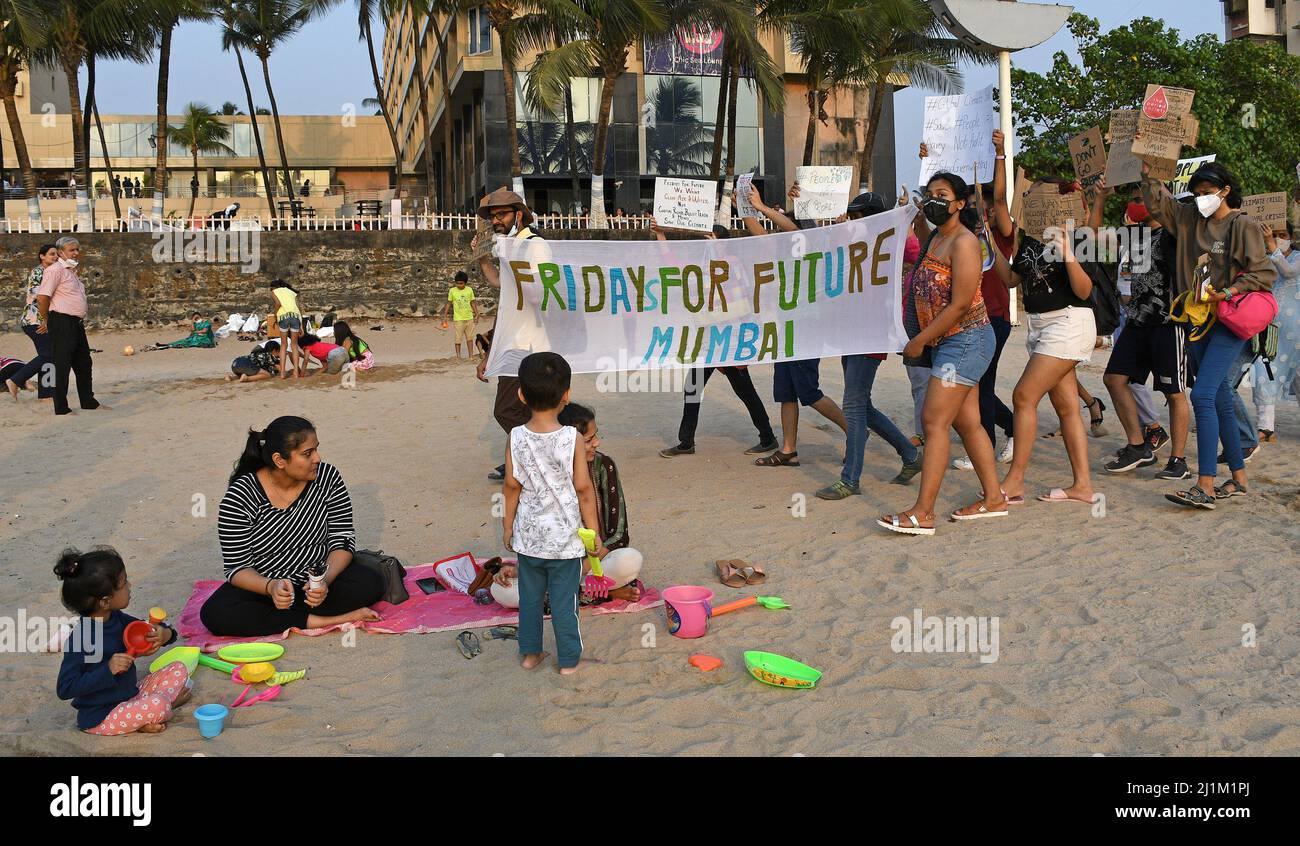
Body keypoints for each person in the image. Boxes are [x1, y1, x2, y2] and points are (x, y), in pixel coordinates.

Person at [1139, 161, 1275, 508]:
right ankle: (1239, 477)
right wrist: (1148, 170)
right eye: (1196, 194)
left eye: (1207, 193)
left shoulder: (1242, 224)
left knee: (1202, 395)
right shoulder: (1187, 219)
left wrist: (1227, 293)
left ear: (1225, 192)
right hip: (1195, 319)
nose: (1201, 199)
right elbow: (1158, 203)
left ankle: (1206, 484)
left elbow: (1263, 273)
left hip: (1229, 320)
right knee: (1218, 399)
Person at [878, 172, 1004, 535]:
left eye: (942, 195)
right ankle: (993, 498)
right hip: (950, 342)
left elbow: (961, 304)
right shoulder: (935, 237)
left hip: (965, 341)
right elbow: (915, 229)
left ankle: (923, 512)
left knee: (934, 423)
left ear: (960, 203)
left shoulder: (964, 243)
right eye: (929, 194)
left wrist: (920, 341)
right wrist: (910, 208)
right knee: (967, 423)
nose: (933, 200)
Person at [200, 417, 385, 636]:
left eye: (316, 450)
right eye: (307, 454)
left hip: (317, 582)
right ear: (280, 460)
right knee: (216, 613)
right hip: (267, 587)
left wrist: (323, 580)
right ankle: (330, 619)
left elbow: (342, 539)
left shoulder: (328, 478)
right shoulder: (240, 497)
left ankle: (290, 618)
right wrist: (271, 587)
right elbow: (237, 567)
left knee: (370, 582)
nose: (318, 458)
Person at [988, 180, 1097, 505]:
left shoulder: (1076, 235)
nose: (1032, 200)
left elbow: (1085, 290)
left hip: (1069, 321)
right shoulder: (1029, 239)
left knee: (1023, 396)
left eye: (1038, 196)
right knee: (1066, 408)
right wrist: (991, 246)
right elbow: (1011, 279)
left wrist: (1067, 254)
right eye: (1030, 196)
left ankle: (1016, 480)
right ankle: (1083, 486)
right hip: (1039, 326)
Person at [495, 353, 599, 674]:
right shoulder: (572, 438)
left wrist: (508, 527)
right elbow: (583, 489)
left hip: (529, 538)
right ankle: (567, 661)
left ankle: (530, 655)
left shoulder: (516, 437)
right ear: (566, 395)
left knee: (529, 600)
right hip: (565, 541)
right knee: (565, 603)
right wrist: (592, 533)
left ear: (522, 395)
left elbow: (511, 487)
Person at [815, 190, 923, 499]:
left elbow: (916, 253)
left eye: (859, 217)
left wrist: (904, 222)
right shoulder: (851, 240)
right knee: (862, 404)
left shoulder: (892, 239)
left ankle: (850, 479)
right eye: (852, 217)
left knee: (852, 403)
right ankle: (910, 455)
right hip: (849, 332)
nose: (853, 221)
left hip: (872, 334)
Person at [656, 208, 778, 459]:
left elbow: (743, 295)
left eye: (711, 240)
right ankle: (686, 441)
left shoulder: (734, 266)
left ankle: (768, 437)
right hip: (710, 342)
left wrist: (718, 252)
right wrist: (660, 236)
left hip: (729, 342)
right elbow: (674, 266)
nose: (706, 246)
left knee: (745, 392)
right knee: (693, 387)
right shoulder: (701, 268)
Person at [752, 185, 848, 468]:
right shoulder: (785, 252)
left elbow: (797, 230)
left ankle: (854, 432)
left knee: (808, 391)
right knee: (785, 391)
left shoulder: (814, 249)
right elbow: (758, 232)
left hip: (807, 327)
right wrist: (746, 204)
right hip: (787, 329)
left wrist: (762, 207)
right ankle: (789, 449)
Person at [1103, 185, 1192, 479]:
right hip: (1138, 321)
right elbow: (1136, 277)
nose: (1136, 204)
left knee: (1174, 392)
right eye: (1135, 199)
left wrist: (1154, 177)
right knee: (1114, 378)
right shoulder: (1137, 236)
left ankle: (1178, 460)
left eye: (1142, 199)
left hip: (1169, 323)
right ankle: (1138, 446)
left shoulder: (1175, 233)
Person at [54, 547, 190, 735]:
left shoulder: (116, 618)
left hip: (130, 696)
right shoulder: (80, 639)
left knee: (178, 668)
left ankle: (147, 713)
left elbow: (148, 630)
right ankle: (161, 708)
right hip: (102, 716)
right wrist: (107, 670)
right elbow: (65, 688)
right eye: (124, 583)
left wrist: (164, 634)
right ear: (104, 602)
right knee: (157, 705)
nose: (130, 586)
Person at [474, 187, 545, 481]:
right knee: (526, 407)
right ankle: (523, 458)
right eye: (493, 217)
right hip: (513, 341)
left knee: (507, 409)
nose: (496, 221)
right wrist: (481, 258)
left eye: (501, 214)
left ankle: (533, 458)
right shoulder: (512, 246)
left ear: (519, 215)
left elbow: (542, 292)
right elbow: (502, 288)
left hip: (530, 343)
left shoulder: (534, 246)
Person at [558, 402, 644, 603]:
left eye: (596, 435)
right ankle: (605, 593)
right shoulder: (551, 472)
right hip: (559, 566)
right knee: (504, 592)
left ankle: (576, 592)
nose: (597, 443)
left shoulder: (604, 465)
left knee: (630, 560)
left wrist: (586, 566)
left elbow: (620, 534)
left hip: (597, 562)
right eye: (589, 440)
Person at [1234, 221, 1299, 445]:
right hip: (1270, 331)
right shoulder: (1263, 260)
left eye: (1282, 235)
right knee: (1263, 374)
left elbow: (1288, 273)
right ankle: (1266, 427)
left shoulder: (1297, 258)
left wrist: (1272, 245)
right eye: (1274, 235)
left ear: (1291, 236)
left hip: (1297, 333)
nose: (1279, 238)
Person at [35, 236, 106, 416]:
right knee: (62, 365)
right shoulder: (55, 270)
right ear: (60, 252)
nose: (76, 253)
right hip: (61, 321)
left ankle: (88, 402)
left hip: (76, 323)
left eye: (77, 249)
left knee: (84, 363)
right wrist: (46, 320)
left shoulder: (70, 271)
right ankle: (61, 408)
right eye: (71, 250)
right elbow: (42, 297)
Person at [12, 244, 58, 403]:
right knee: (49, 354)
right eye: (52, 254)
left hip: (43, 320)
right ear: (42, 256)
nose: (55, 257)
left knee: (50, 356)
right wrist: (46, 320)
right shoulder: (39, 272)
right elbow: (40, 298)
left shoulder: (52, 272)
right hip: (35, 320)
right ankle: (16, 380)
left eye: (57, 254)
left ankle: (47, 394)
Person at [438, 271, 479, 359]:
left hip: (469, 318)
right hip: (458, 319)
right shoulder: (452, 291)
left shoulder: (469, 290)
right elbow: (449, 303)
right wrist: (444, 316)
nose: (459, 285)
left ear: (465, 283)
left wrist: (477, 314)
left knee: (470, 338)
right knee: (458, 339)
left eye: (461, 283)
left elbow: (472, 302)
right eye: (457, 283)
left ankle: (471, 356)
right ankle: (458, 356)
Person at [271, 279, 304, 379]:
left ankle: (282, 373)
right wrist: (301, 326)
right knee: (294, 345)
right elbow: (298, 308)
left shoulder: (274, 292)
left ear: (274, 287)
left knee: (284, 345)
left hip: (283, 317)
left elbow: (278, 303)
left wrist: (275, 315)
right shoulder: (292, 292)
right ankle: (296, 373)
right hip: (295, 317)